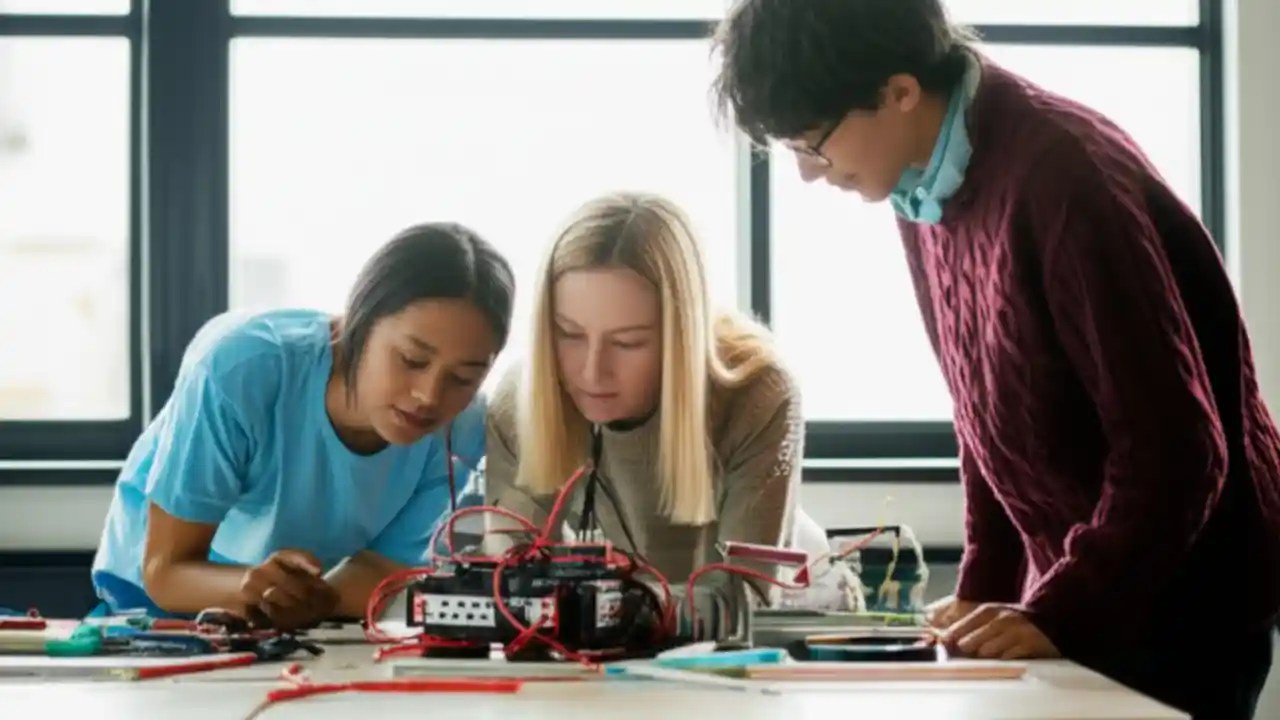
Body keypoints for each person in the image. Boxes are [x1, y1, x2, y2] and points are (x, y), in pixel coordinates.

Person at [710, 0, 1280, 718]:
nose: (806, 175)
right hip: (1092, 589)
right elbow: (986, 411)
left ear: (899, 92)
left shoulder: (1065, 181)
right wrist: (987, 586)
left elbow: (1180, 455)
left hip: (1183, 597)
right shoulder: (921, 185)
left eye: (813, 145)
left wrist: (1056, 612)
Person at [91, 223, 516, 630]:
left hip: (307, 616)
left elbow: (383, 570)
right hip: (159, 608)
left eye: (463, 377)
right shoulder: (243, 369)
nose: (430, 395)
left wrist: (310, 602)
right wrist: (252, 588)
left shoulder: (462, 428)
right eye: (412, 359)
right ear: (359, 323)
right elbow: (166, 571)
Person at [483, 191, 854, 620]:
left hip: (789, 610)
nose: (591, 371)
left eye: (628, 342)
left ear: (683, 335)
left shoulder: (758, 392)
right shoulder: (520, 400)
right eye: (569, 334)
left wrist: (605, 609)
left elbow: (743, 596)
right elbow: (508, 576)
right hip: (628, 623)